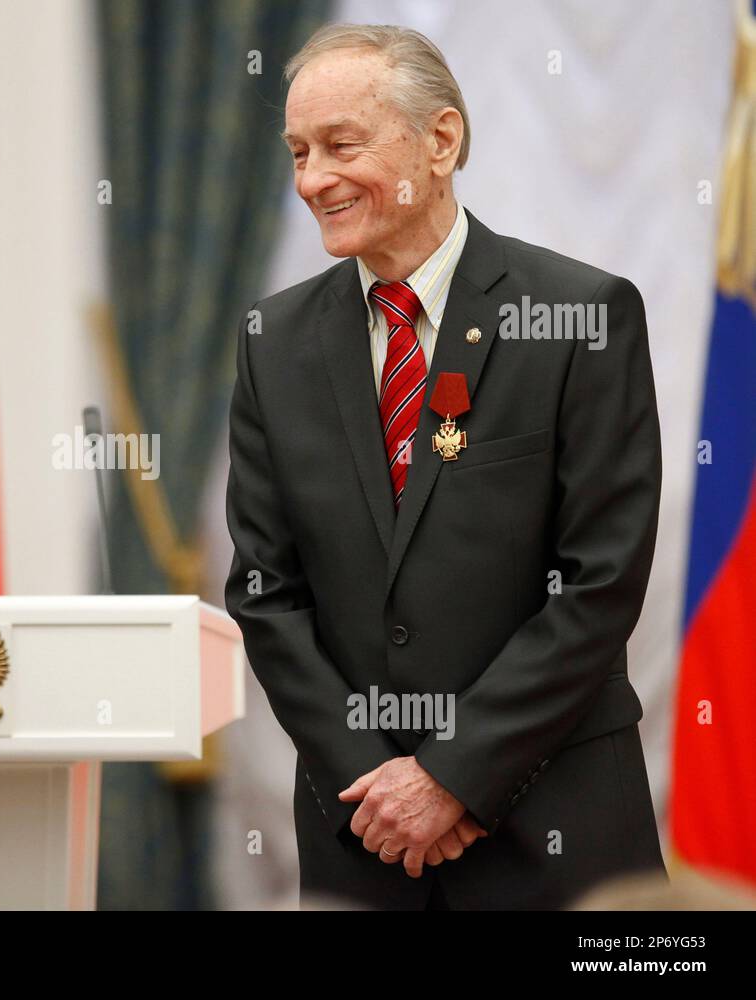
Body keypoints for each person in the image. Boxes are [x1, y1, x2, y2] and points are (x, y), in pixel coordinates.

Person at [224, 24, 667, 909]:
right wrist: (381, 787)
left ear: (441, 141)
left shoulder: (580, 316)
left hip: (558, 835)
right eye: (299, 152)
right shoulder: (274, 342)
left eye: (341, 145)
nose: (313, 179)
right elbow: (265, 595)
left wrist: (453, 776)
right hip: (368, 841)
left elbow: (600, 584)